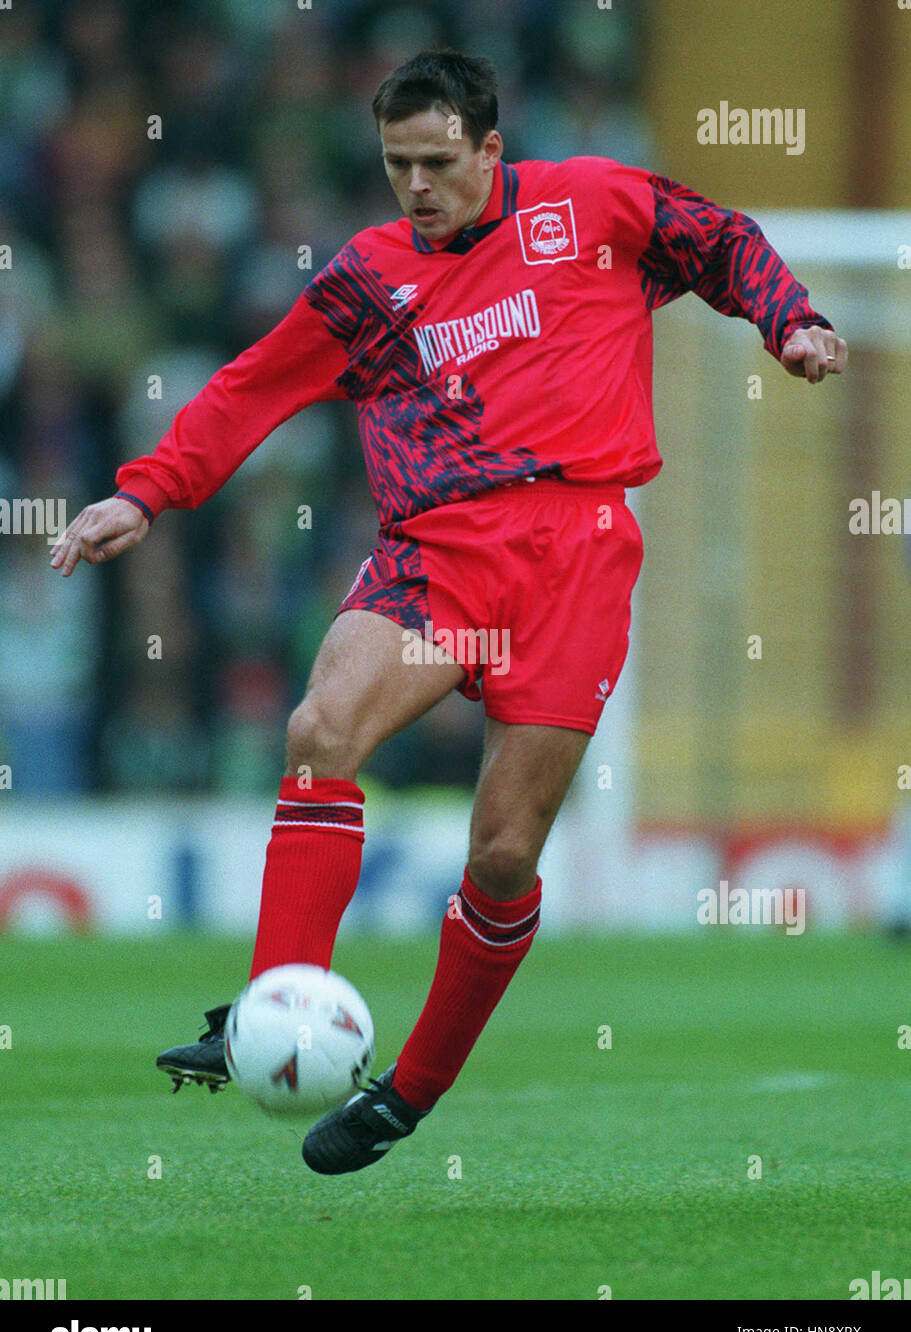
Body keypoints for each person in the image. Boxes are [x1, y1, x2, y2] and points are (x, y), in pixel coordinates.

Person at [50, 48, 847, 1175]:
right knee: (321, 732)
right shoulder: (369, 281)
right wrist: (146, 489)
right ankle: (273, 1006)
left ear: (488, 150)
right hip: (438, 554)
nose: (416, 187)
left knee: (504, 852)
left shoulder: (593, 205)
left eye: (435, 162)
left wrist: (789, 322)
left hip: (577, 551)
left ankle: (409, 1089)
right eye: (394, 165)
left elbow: (720, 242)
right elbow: (250, 386)